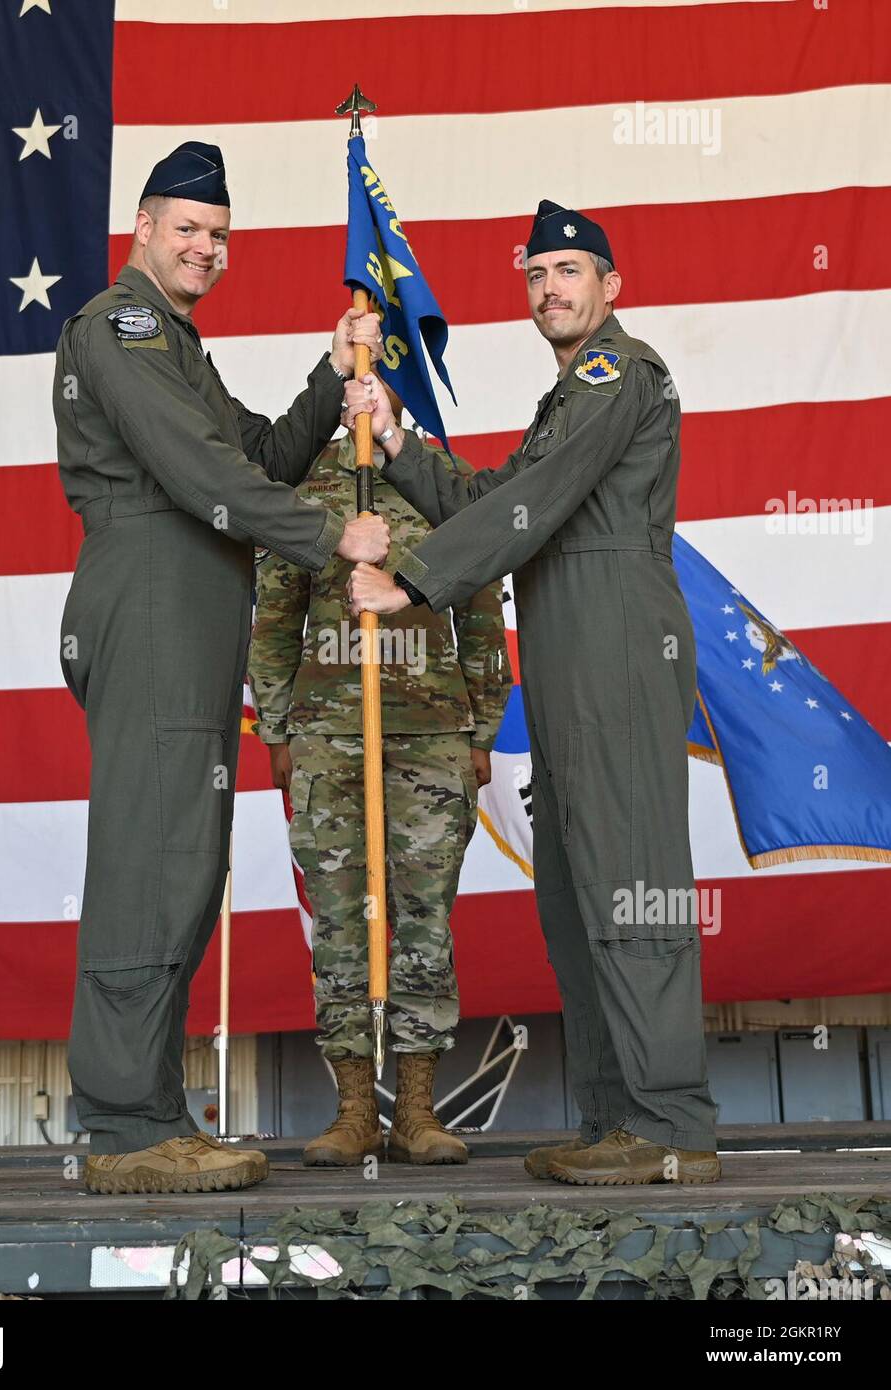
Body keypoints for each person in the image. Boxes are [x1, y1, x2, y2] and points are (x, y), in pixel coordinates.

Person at [343, 200, 721, 1186]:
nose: (550, 288)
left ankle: (670, 1121)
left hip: (615, 643)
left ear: (610, 286)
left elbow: (526, 506)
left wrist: (414, 579)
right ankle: (615, 1121)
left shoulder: (615, 373)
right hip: (566, 651)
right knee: (575, 889)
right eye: (536, 273)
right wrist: (393, 446)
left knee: (629, 879)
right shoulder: (567, 400)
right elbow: (496, 498)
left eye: (569, 270)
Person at [52, 141, 389, 1195]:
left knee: (184, 867)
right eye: (186, 228)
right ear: (141, 230)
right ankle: (117, 1120)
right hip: (151, 595)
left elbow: (251, 450)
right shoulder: (122, 326)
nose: (205, 247)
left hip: (187, 608)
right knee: (150, 859)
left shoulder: (176, 347)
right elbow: (198, 470)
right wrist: (330, 538)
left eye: (218, 235)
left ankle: (152, 1110)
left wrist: (329, 375)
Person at [249, 375, 511, 1166]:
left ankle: (419, 1114)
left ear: (396, 401)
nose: (366, 400)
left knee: (423, 921)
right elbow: (273, 617)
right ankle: (354, 1110)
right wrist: (278, 726)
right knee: (339, 924)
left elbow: (483, 614)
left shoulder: (442, 481)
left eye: (379, 388)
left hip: (432, 733)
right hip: (329, 735)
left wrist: (482, 727)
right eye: (354, 386)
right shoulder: (305, 490)